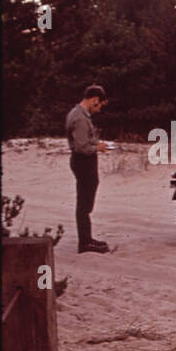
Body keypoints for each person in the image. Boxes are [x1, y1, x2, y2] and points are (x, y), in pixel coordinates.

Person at [64, 84, 111, 253]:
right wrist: (96, 148)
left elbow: (83, 141)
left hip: (84, 161)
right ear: (94, 100)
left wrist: (97, 144)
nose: (98, 110)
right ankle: (84, 242)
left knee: (85, 203)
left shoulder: (79, 114)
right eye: (99, 105)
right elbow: (81, 147)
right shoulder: (80, 118)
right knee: (84, 204)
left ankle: (87, 238)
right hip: (83, 162)